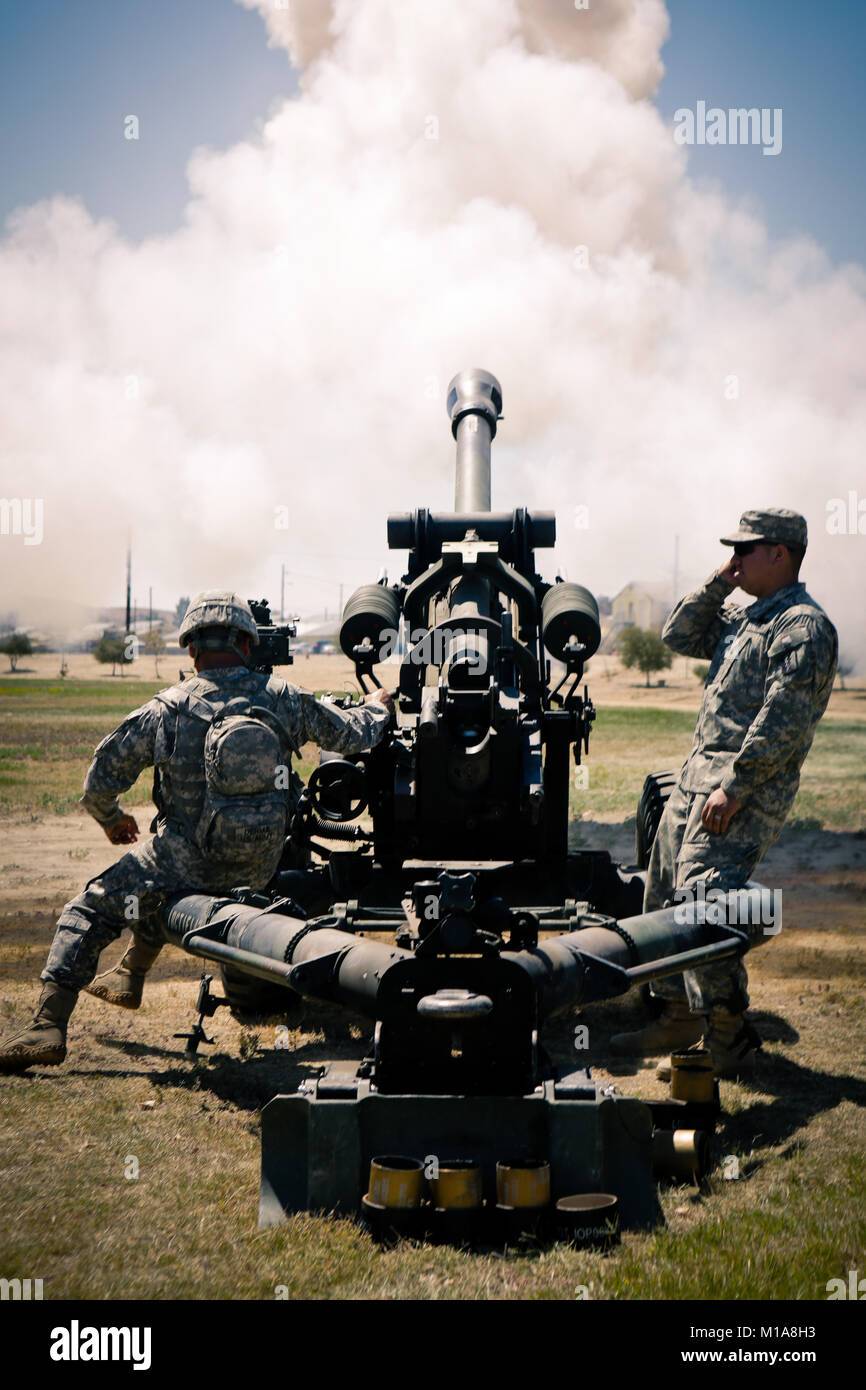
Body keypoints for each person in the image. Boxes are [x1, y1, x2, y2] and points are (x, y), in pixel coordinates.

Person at [0, 592, 393, 1072]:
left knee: (92, 906)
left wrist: (113, 821)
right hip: (263, 863)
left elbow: (99, 781)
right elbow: (354, 734)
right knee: (152, 883)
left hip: (188, 860)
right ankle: (129, 976)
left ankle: (47, 1026)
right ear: (248, 643)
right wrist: (376, 704)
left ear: (190, 649)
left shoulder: (167, 709)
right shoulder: (284, 699)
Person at [611, 510, 837, 1076]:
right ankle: (676, 1015)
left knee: (703, 903)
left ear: (780, 554)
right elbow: (677, 634)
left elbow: (784, 719)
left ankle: (729, 1036)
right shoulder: (744, 617)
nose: (734, 557)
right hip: (694, 780)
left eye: (746, 548)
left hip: (740, 792)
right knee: (663, 899)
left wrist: (735, 788)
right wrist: (718, 583)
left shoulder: (801, 627)